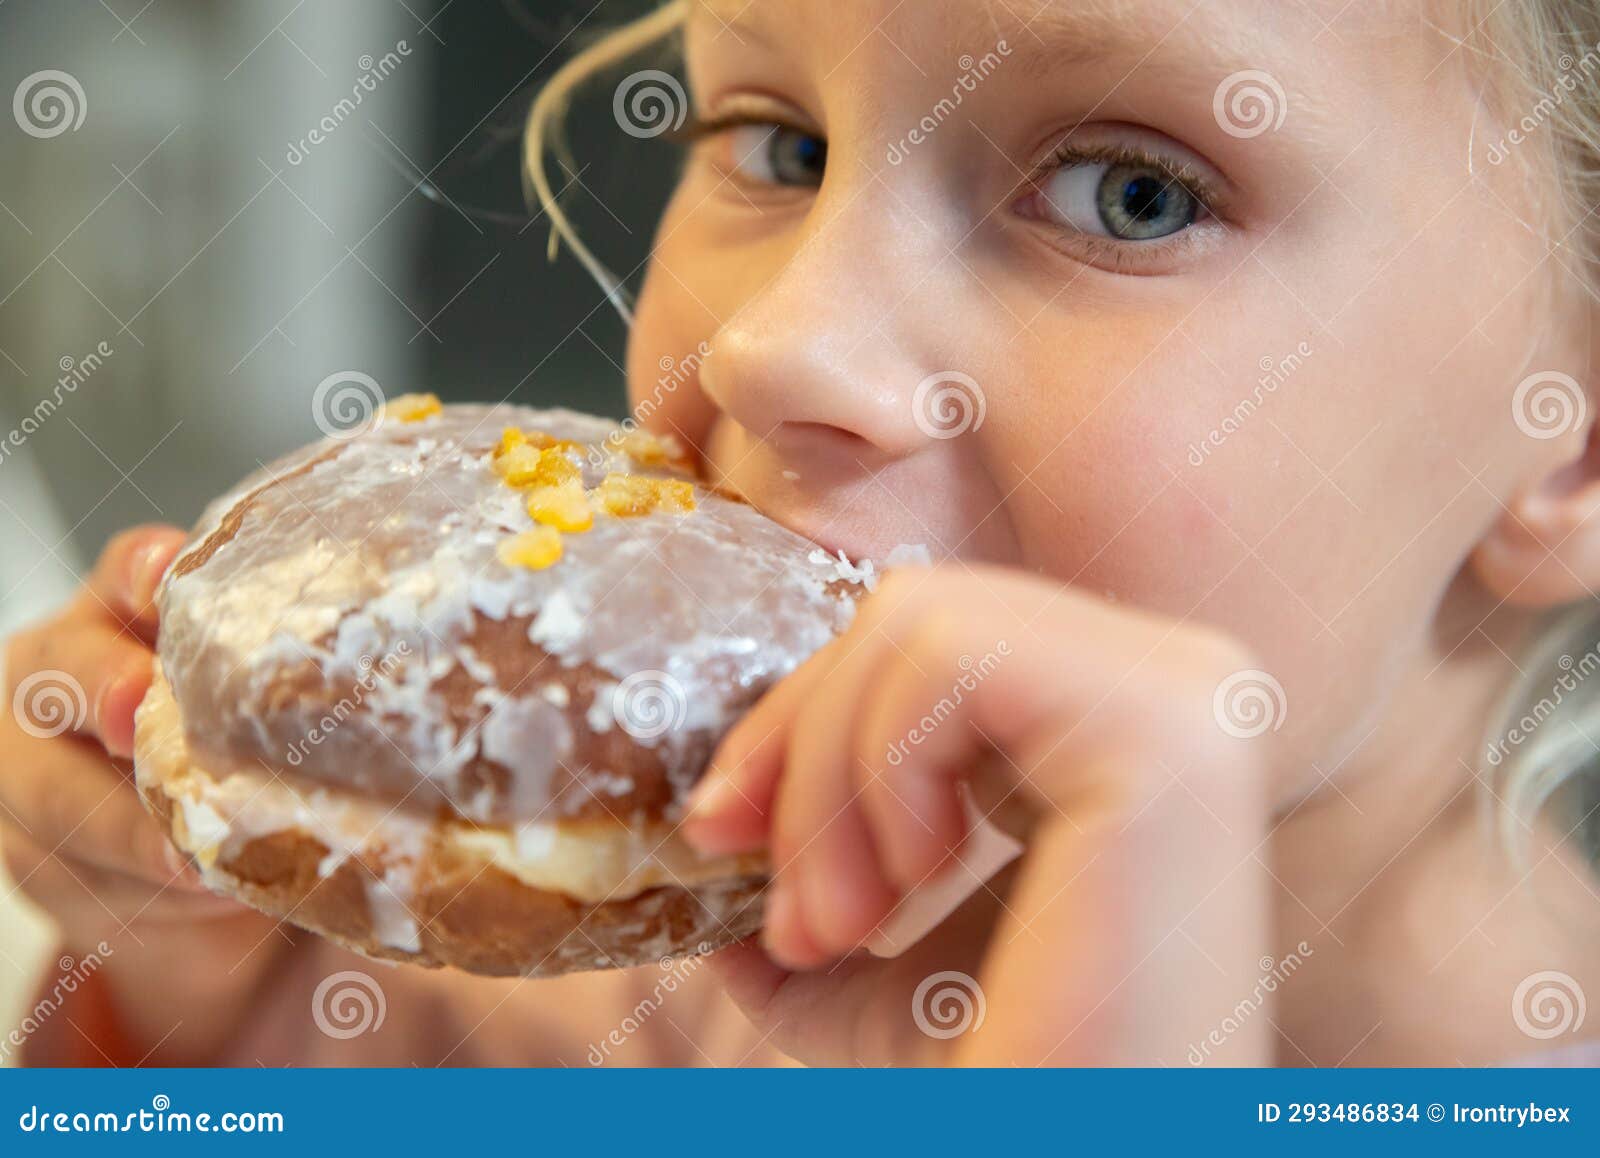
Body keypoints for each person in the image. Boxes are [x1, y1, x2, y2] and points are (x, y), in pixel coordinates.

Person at [5, 0, 1600, 1066]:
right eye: (779, 144)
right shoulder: (636, 960)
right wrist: (199, 978)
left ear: (1571, 445)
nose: (778, 343)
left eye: (1132, 193)